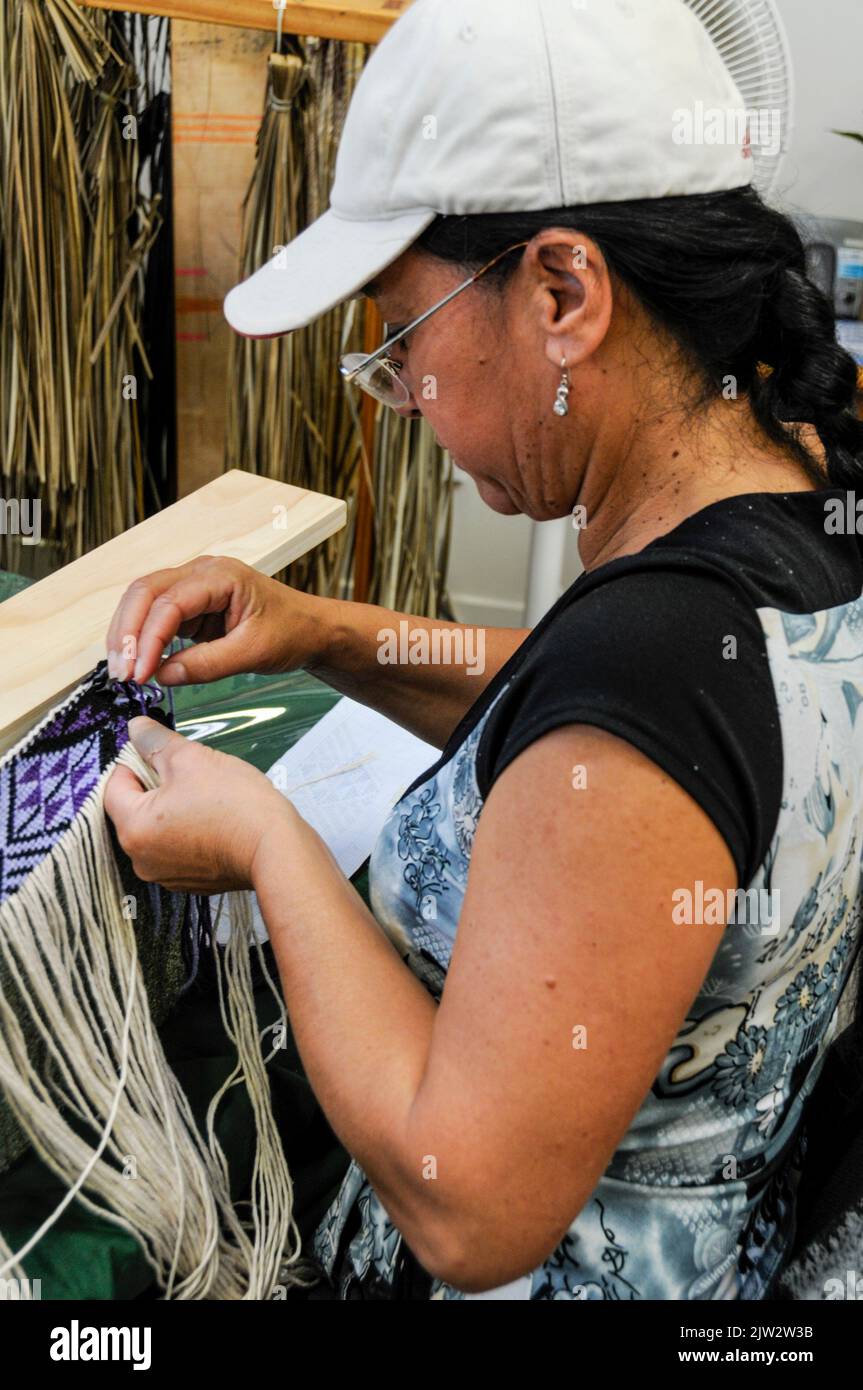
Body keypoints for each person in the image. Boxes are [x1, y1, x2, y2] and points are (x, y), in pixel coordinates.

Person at [104, 0, 863, 1299]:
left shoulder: (660, 654)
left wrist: (269, 847)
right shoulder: (792, 492)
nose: (404, 400)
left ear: (563, 292)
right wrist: (325, 634)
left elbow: (468, 1206)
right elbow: (589, 740)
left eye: (404, 338)